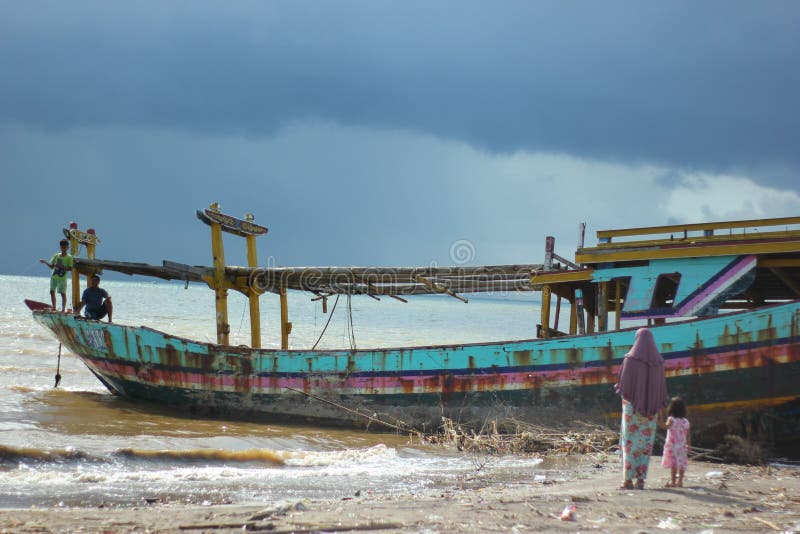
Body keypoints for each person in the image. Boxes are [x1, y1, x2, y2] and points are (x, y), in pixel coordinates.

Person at [615, 327, 669, 490]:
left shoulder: (629, 360)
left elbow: (623, 386)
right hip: (651, 411)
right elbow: (661, 389)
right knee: (645, 446)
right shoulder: (658, 363)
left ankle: (627, 481)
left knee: (629, 444)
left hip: (631, 410)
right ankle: (641, 481)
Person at [661, 397, 690, 487]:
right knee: (681, 463)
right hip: (682, 446)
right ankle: (680, 481)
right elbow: (688, 435)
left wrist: (659, 420)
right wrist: (689, 445)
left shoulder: (671, 419)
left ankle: (673, 482)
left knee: (674, 464)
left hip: (672, 446)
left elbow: (665, 427)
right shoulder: (685, 421)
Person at [39, 239, 73, 311]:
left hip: (62, 279)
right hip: (54, 277)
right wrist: (45, 262)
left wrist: (61, 266)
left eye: (65, 247)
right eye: (62, 247)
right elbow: (51, 266)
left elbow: (70, 269)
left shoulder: (69, 257)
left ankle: (63, 309)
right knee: (52, 291)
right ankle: (54, 307)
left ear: (67, 247)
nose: (63, 248)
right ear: (60, 247)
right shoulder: (56, 255)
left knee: (62, 293)